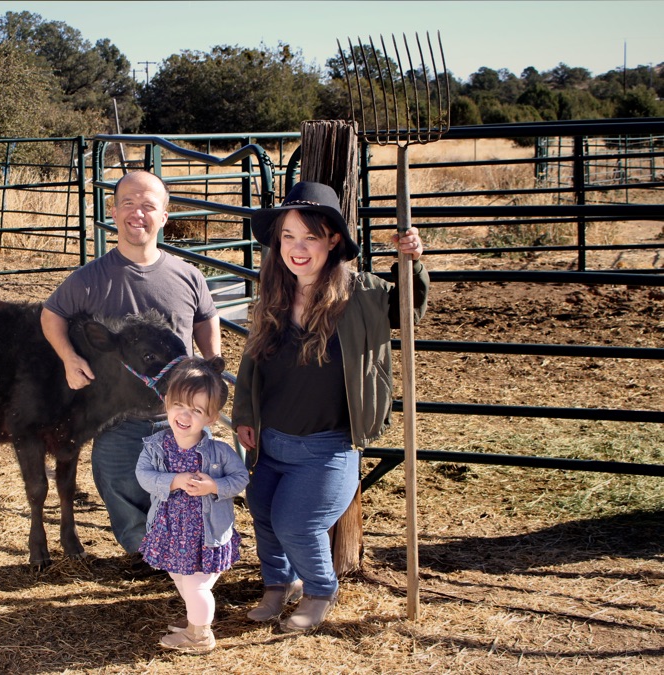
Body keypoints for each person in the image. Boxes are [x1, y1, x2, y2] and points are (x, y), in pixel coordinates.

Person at [231, 181, 429, 633]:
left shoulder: (362, 294)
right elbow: (252, 363)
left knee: (295, 522)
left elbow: (407, 310)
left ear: (333, 239)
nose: (297, 249)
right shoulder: (274, 294)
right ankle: (278, 586)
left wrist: (413, 263)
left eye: (310, 238)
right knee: (261, 510)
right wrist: (245, 414)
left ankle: (320, 589)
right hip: (272, 442)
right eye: (288, 237)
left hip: (329, 447)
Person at [41, 171, 221, 577]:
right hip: (118, 414)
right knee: (117, 479)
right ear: (113, 211)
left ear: (164, 216)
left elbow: (206, 319)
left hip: (180, 415)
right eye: (127, 203)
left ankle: (183, 554)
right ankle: (148, 552)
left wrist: (212, 363)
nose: (136, 214)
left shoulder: (187, 275)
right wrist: (70, 359)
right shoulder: (90, 278)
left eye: (147, 206)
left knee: (185, 487)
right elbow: (51, 315)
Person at [135, 356, 249, 654]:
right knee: (181, 579)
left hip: (204, 536)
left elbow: (240, 479)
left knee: (197, 586)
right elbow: (144, 476)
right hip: (171, 531)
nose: (185, 415)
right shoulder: (156, 445)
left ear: (210, 418)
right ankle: (194, 621)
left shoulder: (219, 452)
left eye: (196, 410)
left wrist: (213, 486)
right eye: (179, 406)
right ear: (167, 403)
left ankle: (200, 636)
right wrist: (174, 480)